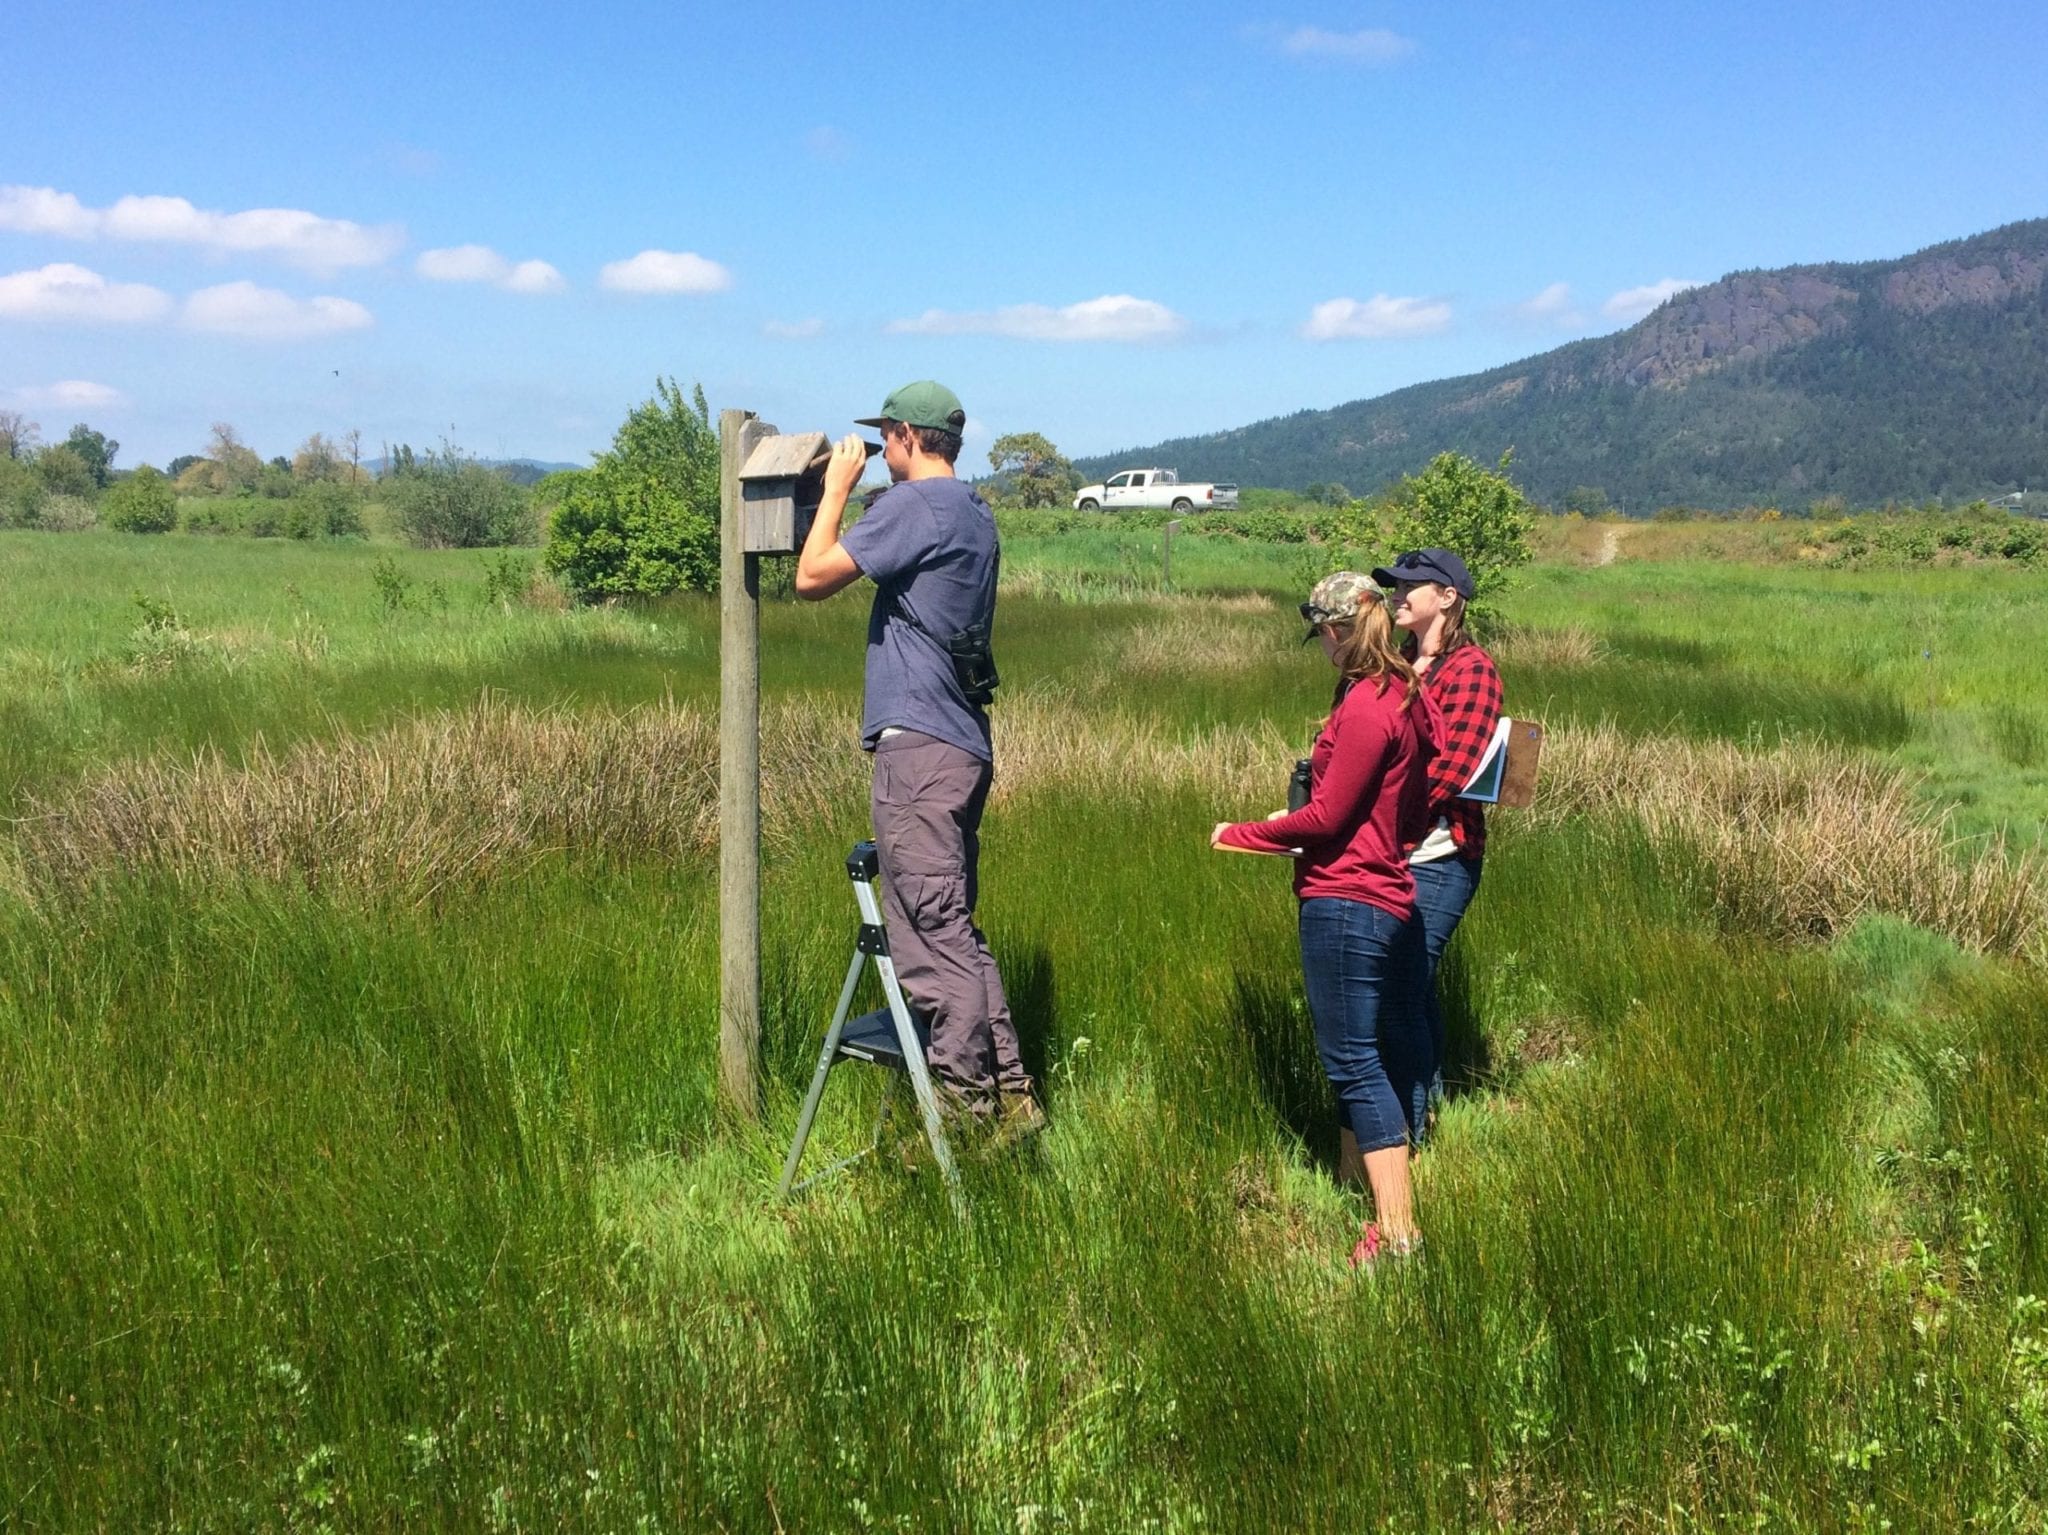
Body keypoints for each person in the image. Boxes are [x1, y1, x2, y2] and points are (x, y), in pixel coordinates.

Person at [795, 380, 1041, 1137]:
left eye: (884, 440)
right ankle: (1015, 1096)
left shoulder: (914, 506)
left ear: (904, 434)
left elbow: (811, 578)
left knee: (930, 936)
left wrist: (837, 486)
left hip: (920, 751)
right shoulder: (974, 510)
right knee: (955, 926)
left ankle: (966, 1116)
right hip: (961, 745)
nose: (880, 452)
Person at [1210, 572, 1436, 1264]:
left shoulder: (1368, 705)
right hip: (1384, 891)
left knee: (1355, 1062)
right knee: (1362, 1057)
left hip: (1347, 900)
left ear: (1337, 633)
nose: (1322, 649)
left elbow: (1330, 815)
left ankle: (1398, 1234)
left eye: (1322, 637)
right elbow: (1415, 808)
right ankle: (1350, 1185)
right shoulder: (1407, 697)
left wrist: (1241, 832)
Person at [1371, 549, 1504, 1125]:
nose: (1399, 595)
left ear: (1448, 597)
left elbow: (1449, 771)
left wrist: (1368, 809)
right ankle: (1431, 1112)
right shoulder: (1399, 661)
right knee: (1413, 991)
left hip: (1439, 857)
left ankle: (1408, 1129)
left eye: (1411, 586)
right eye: (1395, 587)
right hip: (1394, 849)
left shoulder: (1472, 670)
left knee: (1400, 994)